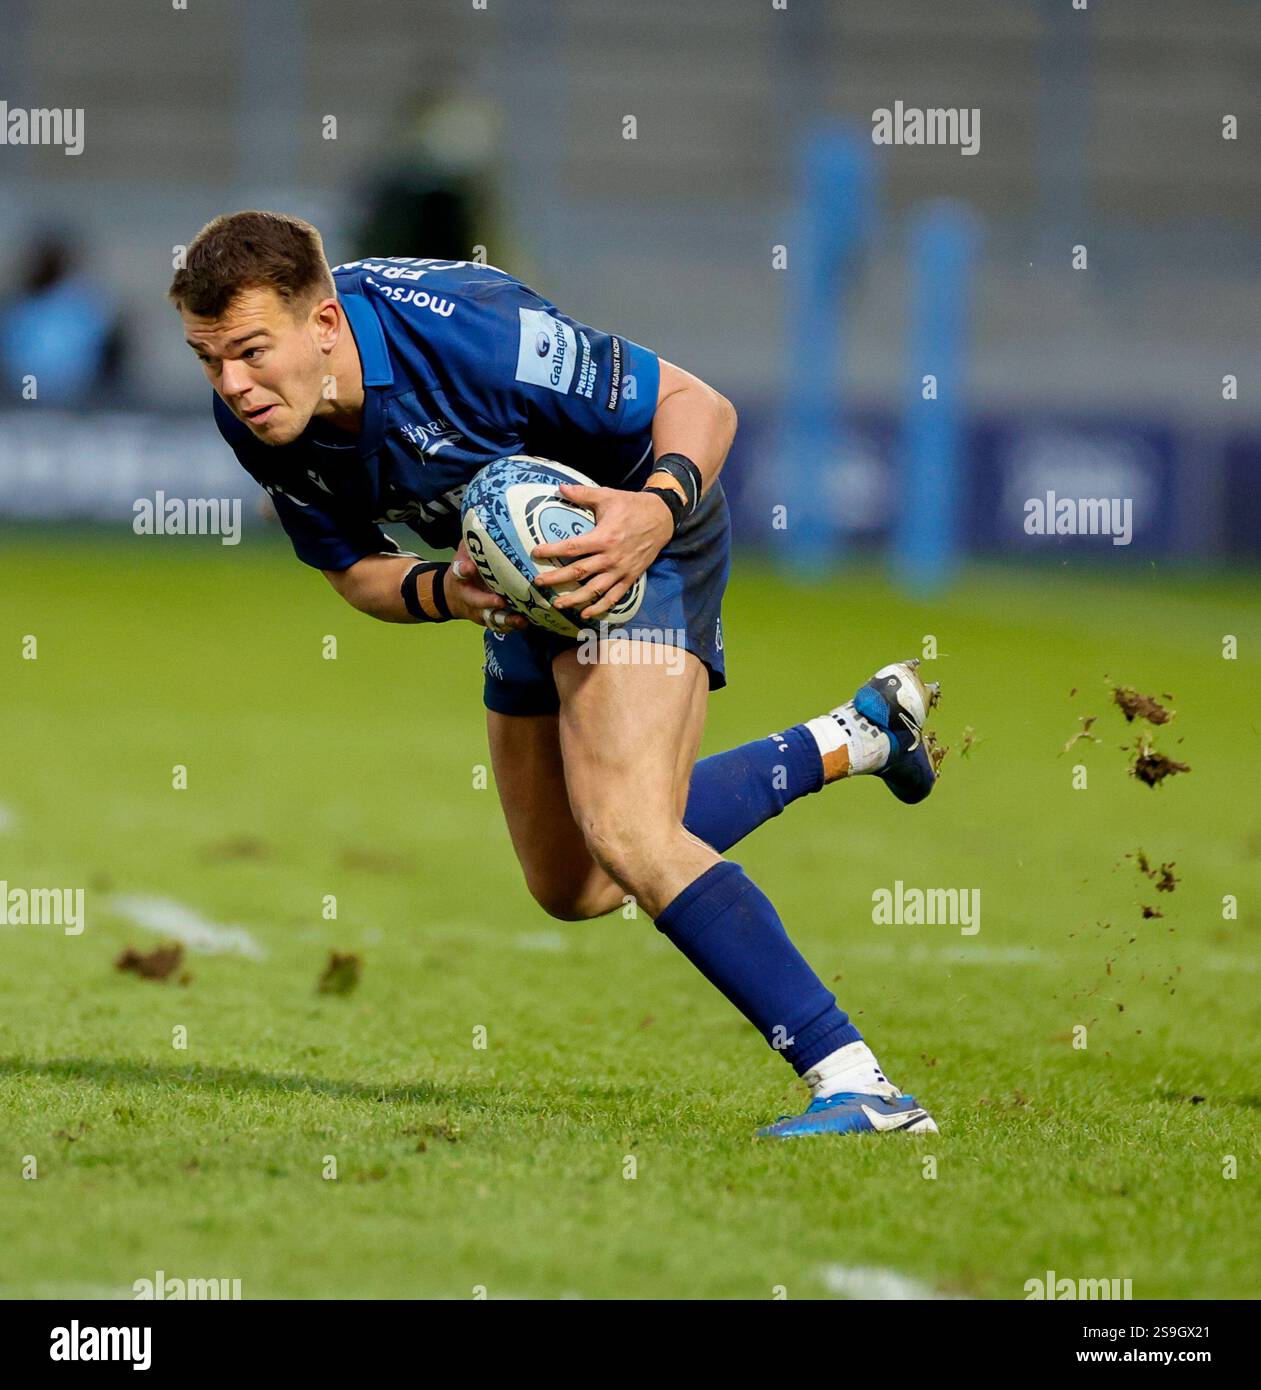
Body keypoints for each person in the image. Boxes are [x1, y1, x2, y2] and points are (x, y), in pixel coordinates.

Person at [170, 210, 942, 1137]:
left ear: (324, 323)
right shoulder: (254, 414)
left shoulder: (469, 339)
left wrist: (652, 514)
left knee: (626, 826)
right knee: (573, 884)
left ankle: (857, 1083)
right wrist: (448, 592)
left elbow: (702, 406)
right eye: (209, 360)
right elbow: (353, 572)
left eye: (250, 351)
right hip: (508, 580)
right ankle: (852, 737)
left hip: (638, 537)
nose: (233, 384)